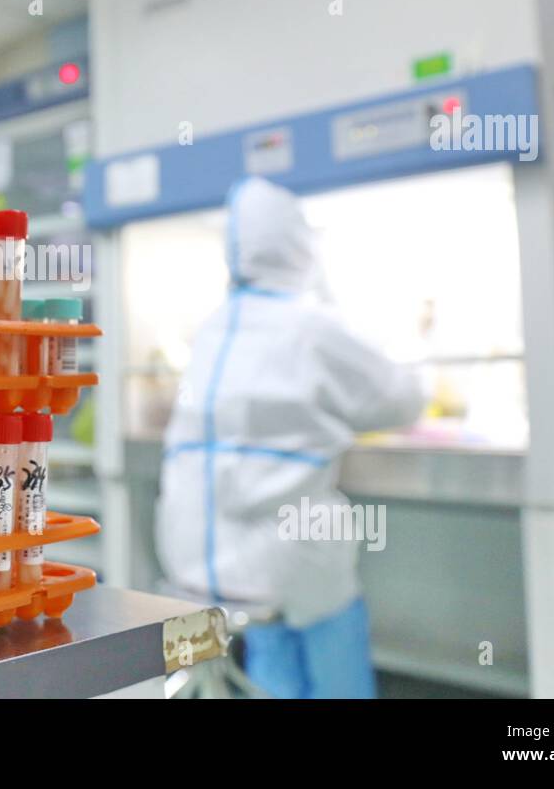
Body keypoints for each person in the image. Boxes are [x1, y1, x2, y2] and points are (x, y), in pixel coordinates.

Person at [157, 177, 422, 698]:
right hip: (275, 570)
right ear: (302, 247)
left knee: (273, 624)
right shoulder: (311, 326)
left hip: (183, 566)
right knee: (323, 599)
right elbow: (401, 400)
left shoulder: (211, 328)